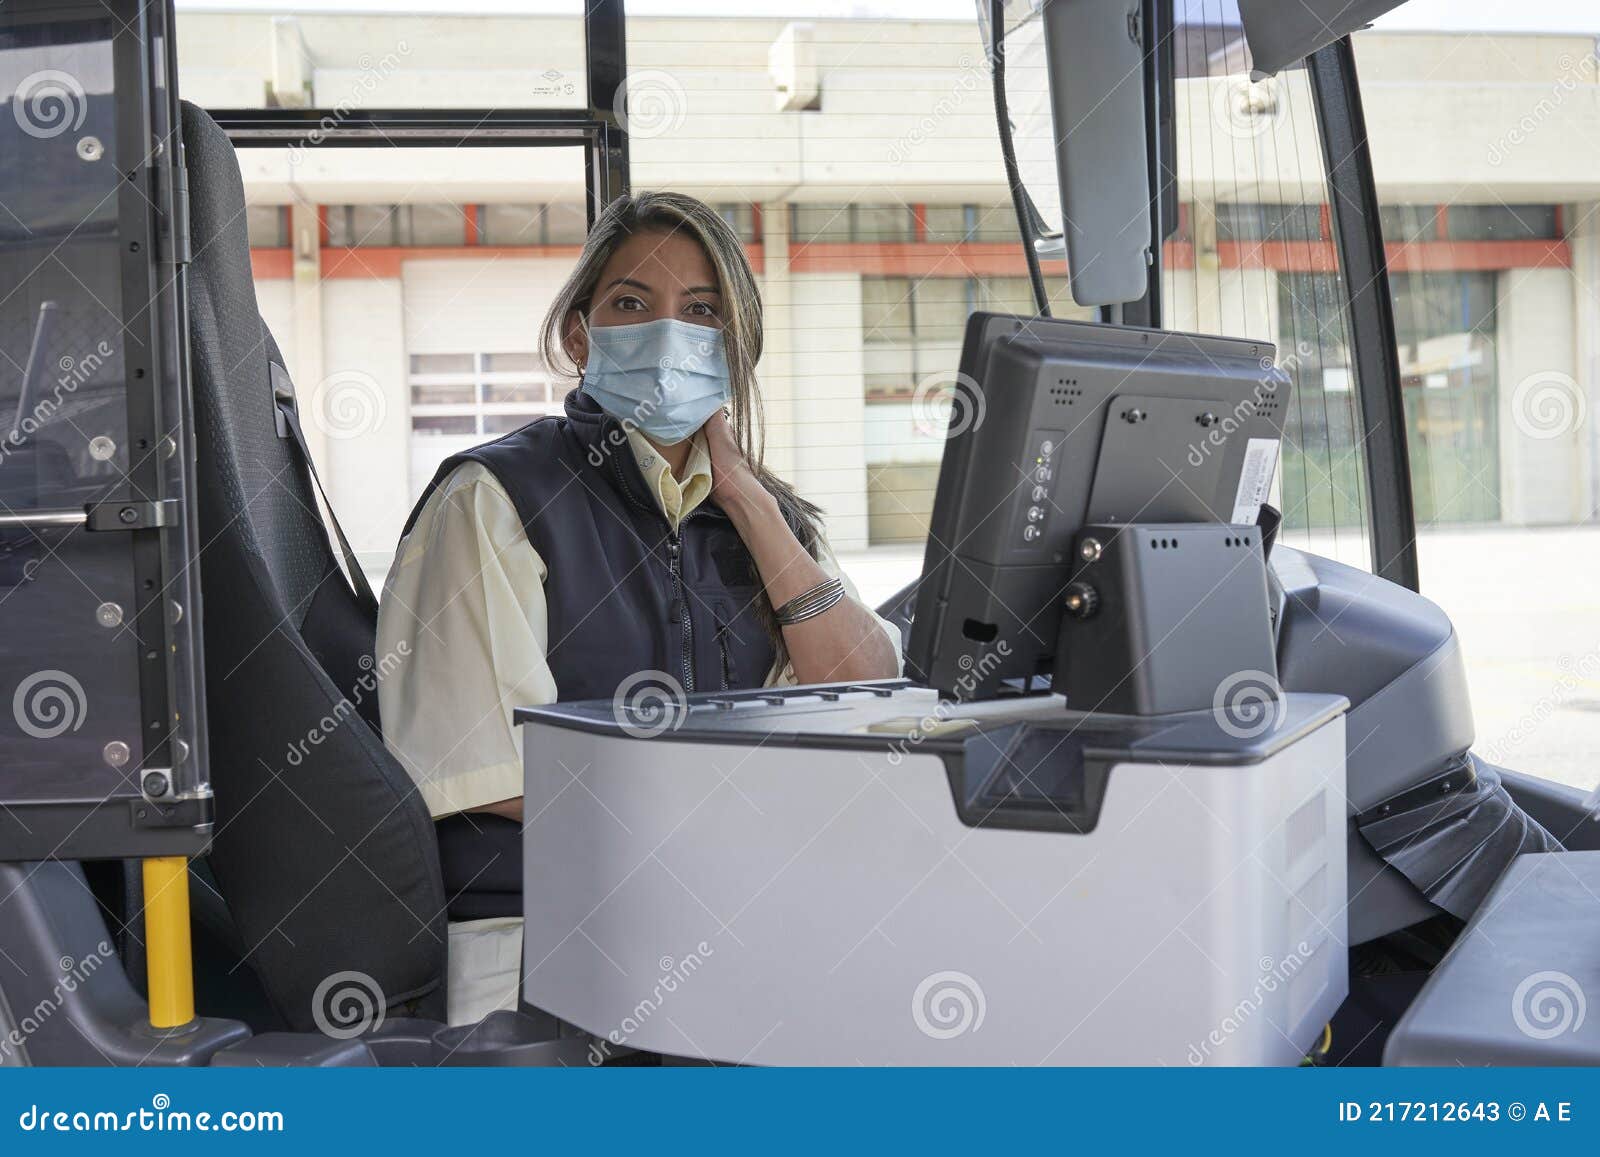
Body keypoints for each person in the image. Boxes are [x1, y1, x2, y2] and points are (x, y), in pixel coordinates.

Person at [377, 191, 903, 1021]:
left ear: (733, 352)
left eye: (701, 313)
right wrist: (736, 814)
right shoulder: (496, 498)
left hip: (727, 911)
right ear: (579, 335)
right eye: (632, 303)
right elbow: (489, 772)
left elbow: (863, 690)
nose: (670, 335)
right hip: (544, 934)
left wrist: (750, 502)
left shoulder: (766, 518)